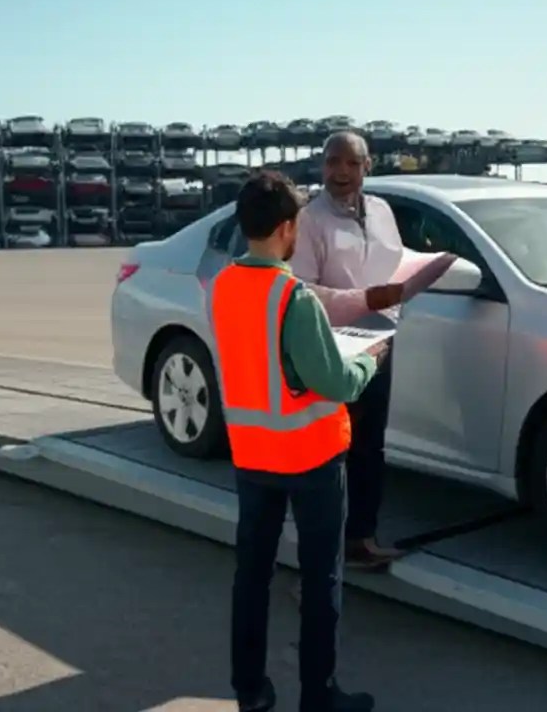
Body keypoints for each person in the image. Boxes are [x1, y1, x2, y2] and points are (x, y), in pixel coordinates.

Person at [211, 170, 383, 712]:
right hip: (310, 456)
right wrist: (367, 362)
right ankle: (319, 696)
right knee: (320, 579)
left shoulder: (224, 287)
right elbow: (333, 381)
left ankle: (250, 690)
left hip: (252, 456)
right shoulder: (293, 298)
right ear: (288, 228)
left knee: (252, 576)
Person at [289, 131, 405, 570]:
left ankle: (360, 539)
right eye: (332, 161)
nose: (341, 171)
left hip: (379, 339)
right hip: (332, 344)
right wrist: (361, 300)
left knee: (369, 446)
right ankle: (320, 550)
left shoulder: (382, 211)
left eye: (351, 163)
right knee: (330, 449)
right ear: (322, 166)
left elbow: (393, 262)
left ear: (367, 166)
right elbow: (302, 291)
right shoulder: (310, 220)